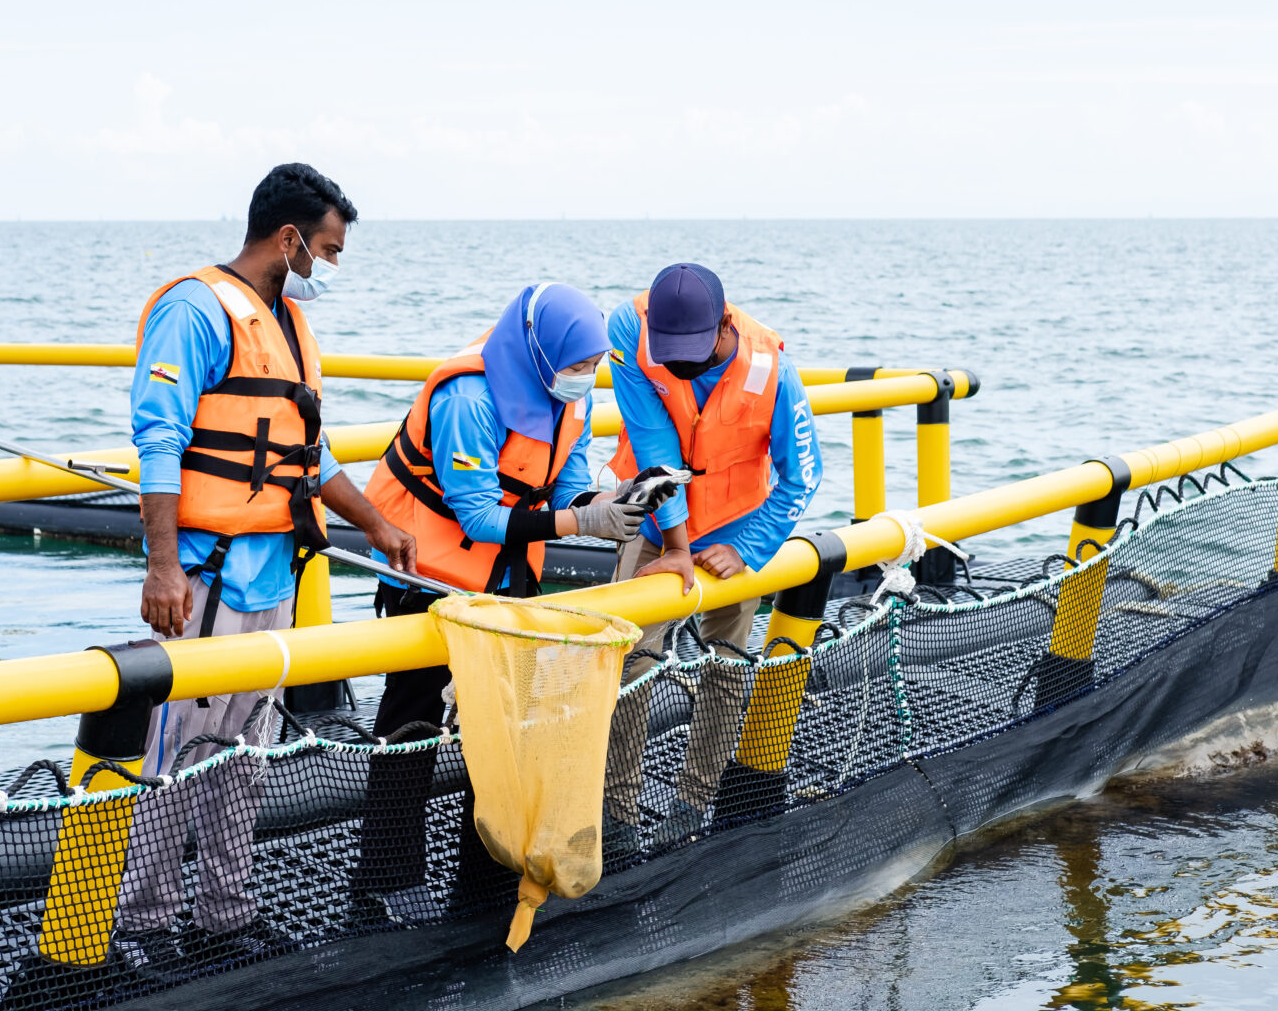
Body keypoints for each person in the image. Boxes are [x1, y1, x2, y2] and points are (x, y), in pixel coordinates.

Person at [116, 163, 417, 976]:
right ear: (288, 239)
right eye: (325, 248)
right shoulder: (196, 310)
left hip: (274, 575)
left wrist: (381, 525)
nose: (328, 265)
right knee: (177, 753)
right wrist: (163, 567)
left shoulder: (287, 323)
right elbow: (159, 442)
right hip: (206, 574)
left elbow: (308, 460)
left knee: (246, 752)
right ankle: (140, 925)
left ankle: (224, 913)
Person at [350, 283, 647, 923]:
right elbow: (479, 516)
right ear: (539, 353)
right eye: (576, 367)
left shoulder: (570, 399)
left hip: (509, 583)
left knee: (510, 730)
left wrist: (606, 507)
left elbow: (566, 484)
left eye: (593, 367)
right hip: (427, 583)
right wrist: (577, 526)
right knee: (412, 726)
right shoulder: (468, 397)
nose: (585, 379)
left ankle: (484, 876)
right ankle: (383, 878)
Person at [601, 263, 822, 853]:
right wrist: (673, 543)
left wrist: (746, 548)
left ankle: (693, 802)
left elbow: (803, 477)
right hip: (654, 519)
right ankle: (617, 815)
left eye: (693, 355)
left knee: (727, 663)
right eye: (669, 355)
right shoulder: (628, 329)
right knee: (627, 662)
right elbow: (652, 442)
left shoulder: (774, 372)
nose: (680, 367)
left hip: (735, 530)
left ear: (725, 324)